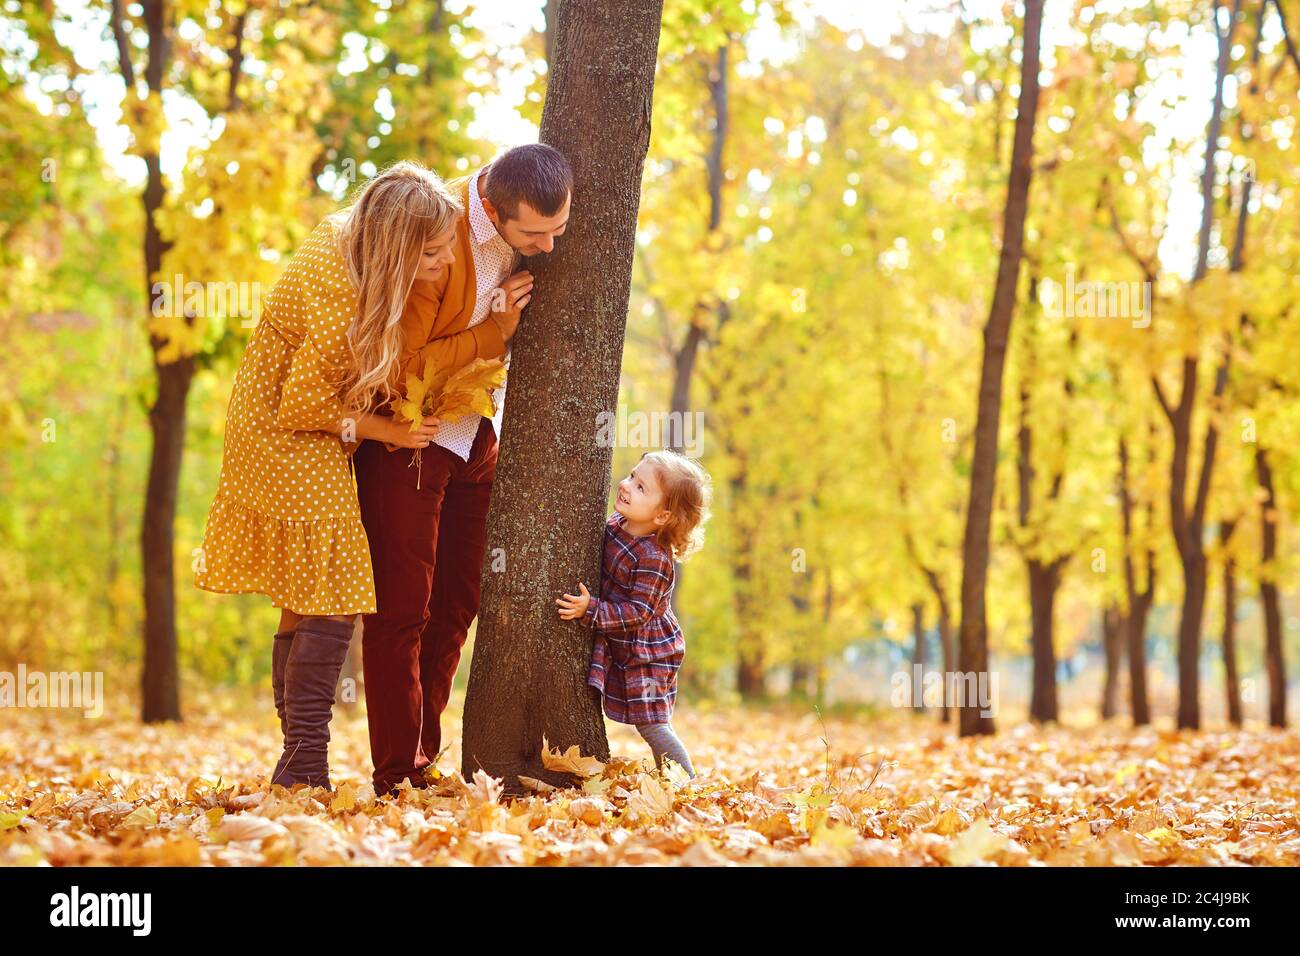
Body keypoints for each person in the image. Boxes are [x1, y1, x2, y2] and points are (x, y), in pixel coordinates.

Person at [194, 162, 458, 790]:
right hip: (282, 432)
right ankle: (306, 760)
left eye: (448, 246)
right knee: (336, 588)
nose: (445, 262)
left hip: (278, 419)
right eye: (431, 252)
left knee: (301, 599)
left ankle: (296, 764)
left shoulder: (348, 234)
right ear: (394, 247)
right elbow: (304, 405)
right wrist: (391, 432)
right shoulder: (342, 291)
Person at [355, 143, 574, 795]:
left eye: (557, 230)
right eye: (535, 234)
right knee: (403, 610)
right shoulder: (437, 231)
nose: (549, 247)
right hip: (410, 441)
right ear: (492, 208)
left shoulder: (528, 227)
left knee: (457, 603)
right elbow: (403, 361)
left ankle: (423, 752)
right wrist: (495, 330)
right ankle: (395, 773)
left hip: (475, 439)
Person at [556, 451, 713, 779]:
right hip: (623, 641)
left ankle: (686, 784)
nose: (626, 486)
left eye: (641, 488)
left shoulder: (654, 558)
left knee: (653, 726)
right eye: (631, 477)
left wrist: (592, 610)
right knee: (650, 725)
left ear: (662, 517)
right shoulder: (616, 524)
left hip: (651, 653)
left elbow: (639, 612)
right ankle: (673, 780)